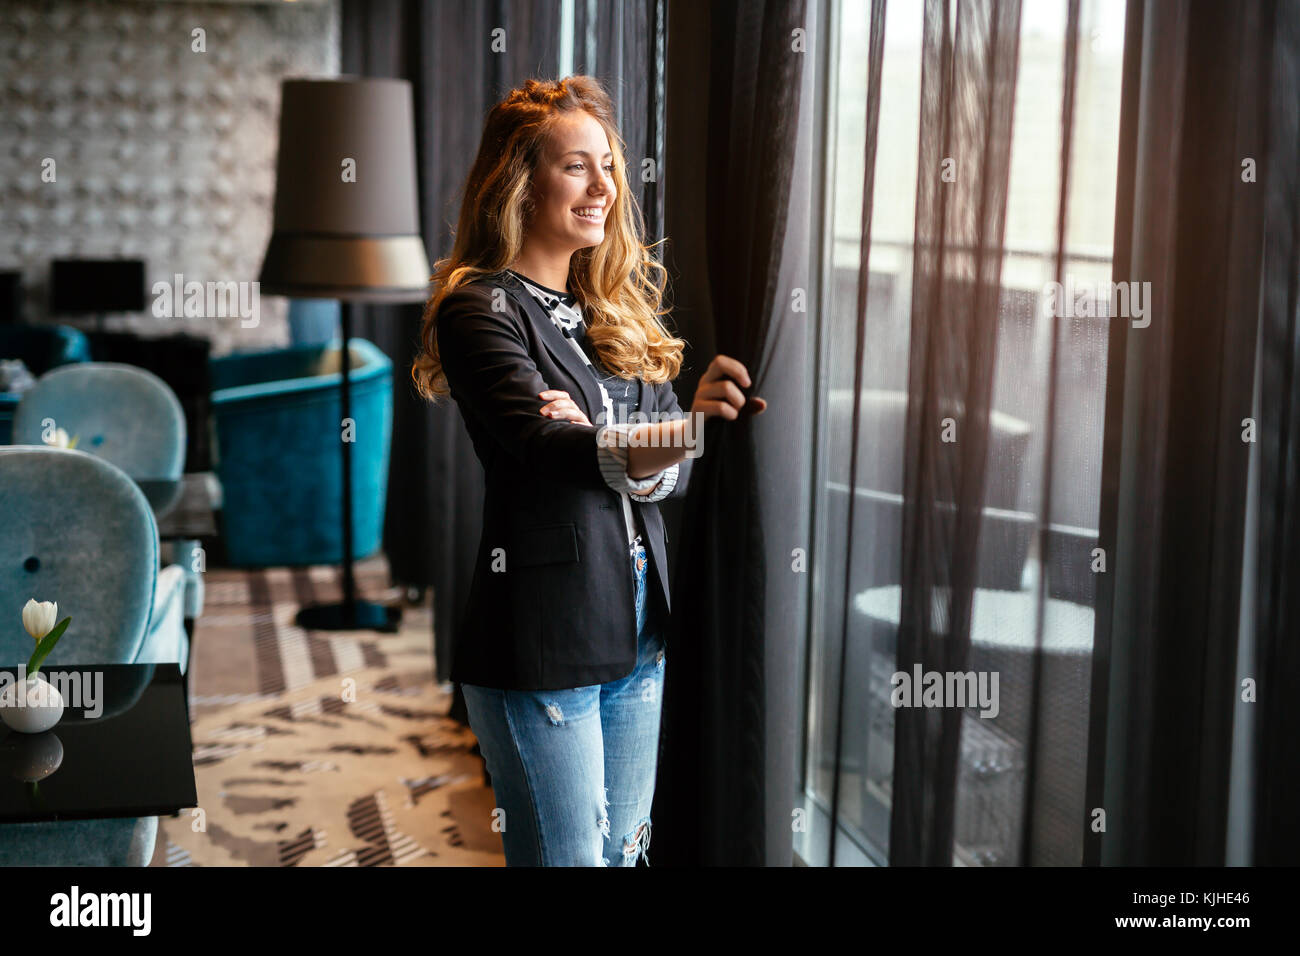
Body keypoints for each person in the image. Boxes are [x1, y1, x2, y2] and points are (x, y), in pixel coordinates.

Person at [412, 75, 765, 866]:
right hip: (542, 640)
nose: (605, 186)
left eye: (608, 165)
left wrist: (636, 443)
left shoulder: (610, 309)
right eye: (576, 166)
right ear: (517, 182)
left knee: (620, 856)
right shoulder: (480, 309)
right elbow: (551, 454)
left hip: (639, 630)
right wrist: (665, 432)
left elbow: (662, 478)